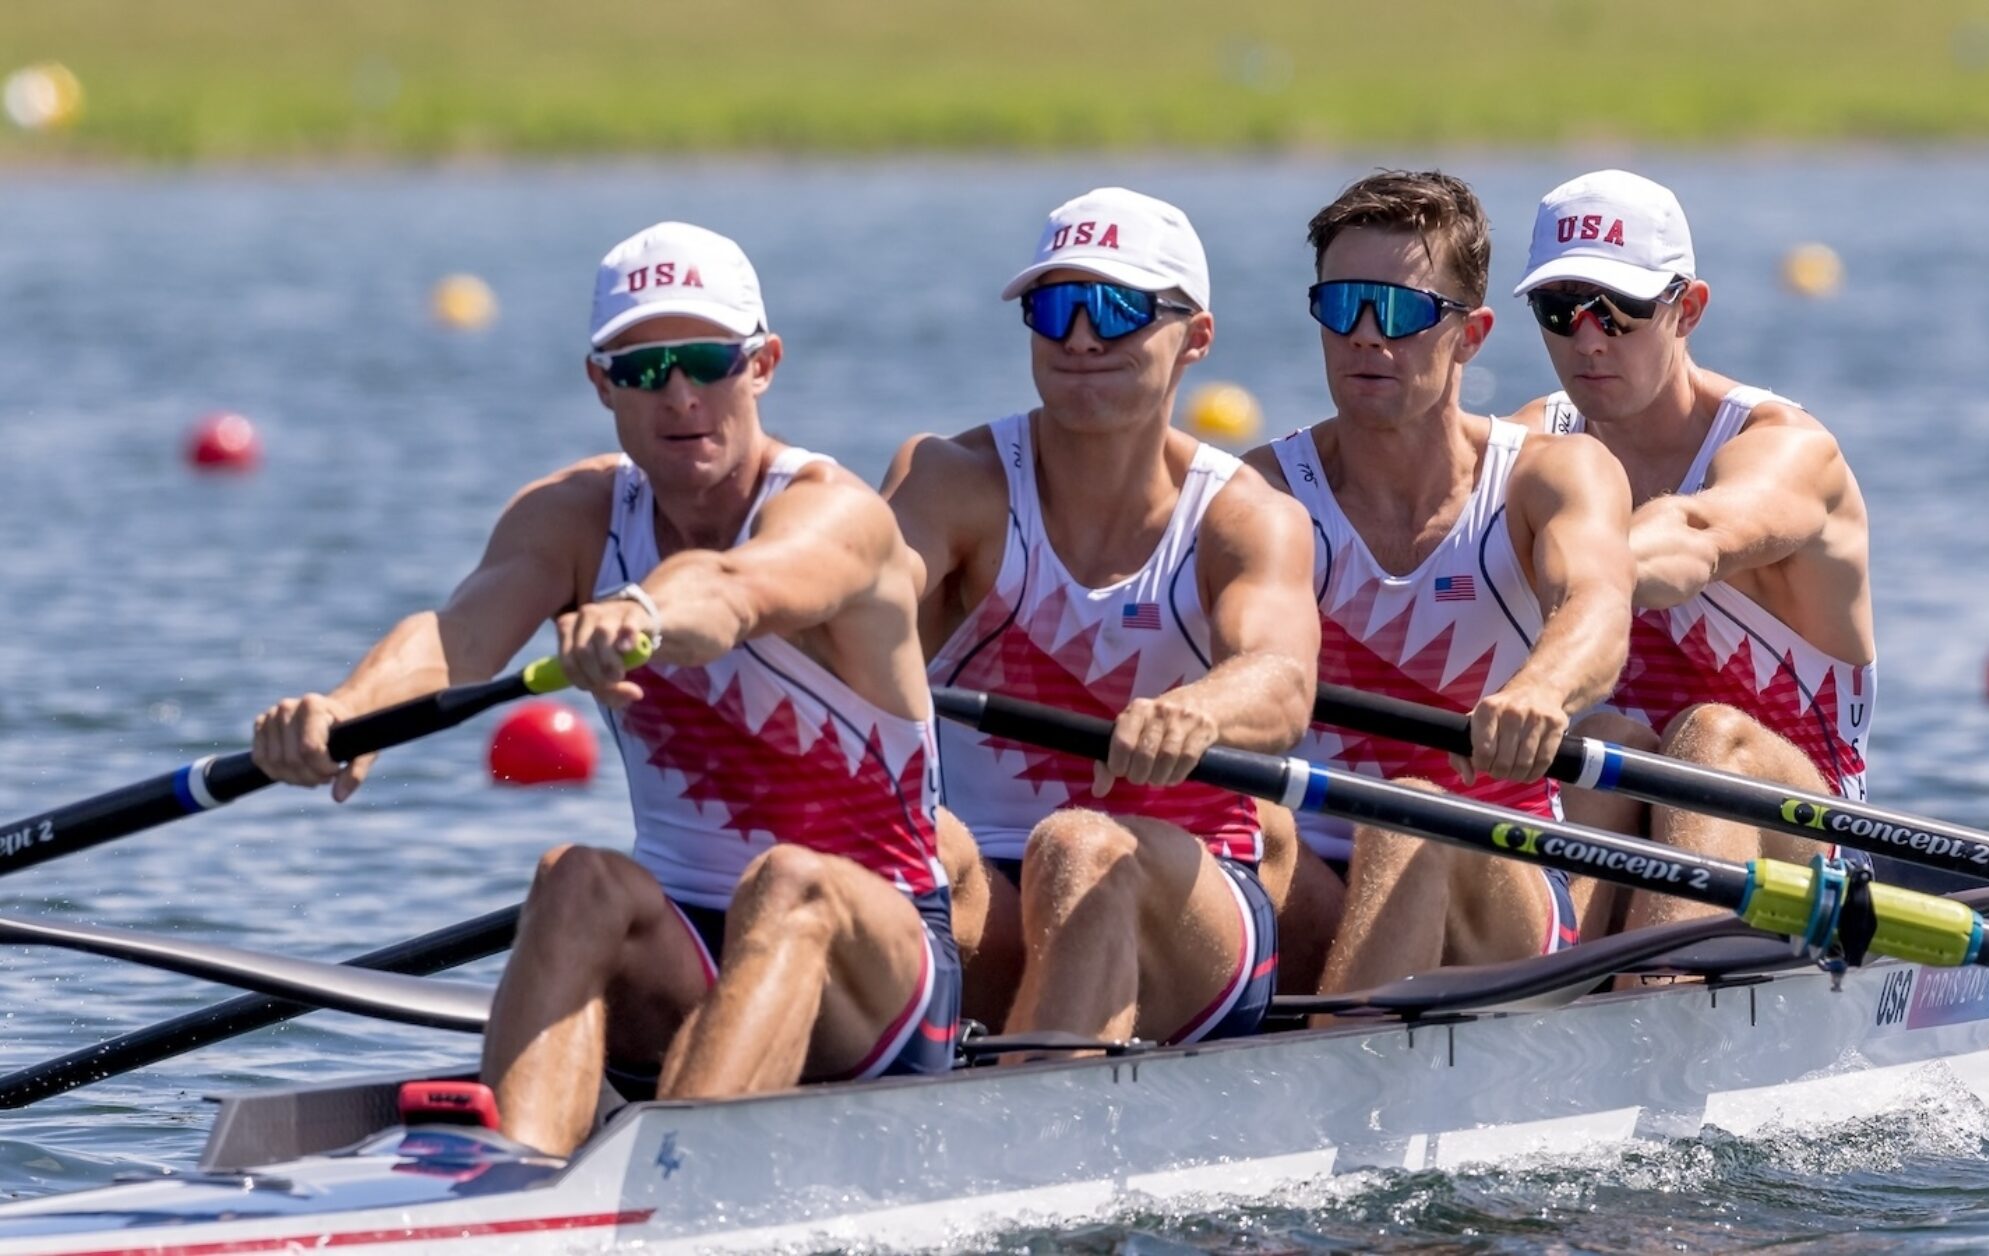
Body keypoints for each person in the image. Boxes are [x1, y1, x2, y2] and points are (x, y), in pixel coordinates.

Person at [250, 221, 959, 1156]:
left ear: (763, 365)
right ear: (600, 384)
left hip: (882, 972)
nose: (679, 394)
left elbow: (735, 591)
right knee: (573, 876)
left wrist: (640, 614)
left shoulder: (835, 514)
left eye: (707, 359)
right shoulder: (574, 514)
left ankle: (675, 1182)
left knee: (790, 883)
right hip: (684, 956)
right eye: (642, 367)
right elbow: (456, 638)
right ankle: (506, 1180)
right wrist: (348, 711)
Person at [884, 187, 1318, 1044]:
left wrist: (1202, 707)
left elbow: (1282, 684)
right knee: (887, 847)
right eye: (1053, 308)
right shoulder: (950, 478)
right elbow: (868, 595)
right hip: (991, 896)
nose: (1080, 337)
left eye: (1115, 309)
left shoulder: (1244, 516)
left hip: (1187, 903)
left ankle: (1021, 1121)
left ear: (1194, 337)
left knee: (1080, 847)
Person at [1243, 170, 1634, 994]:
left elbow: (1597, 608)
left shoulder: (1550, 476)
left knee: (1412, 816)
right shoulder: (1260, 492)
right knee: (1236, 825)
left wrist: (1541, 689)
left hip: (1500, 874)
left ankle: (1330, 1073)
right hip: (1314, 882)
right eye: (1339, 303)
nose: (1362, 334)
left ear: (1471, 334)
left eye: (1398, 310)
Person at [1509, 170, 1876, 933]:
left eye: (1620, 311)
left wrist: (1579, 572)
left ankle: (1657, 996)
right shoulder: (1530, 447)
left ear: (1687, 311)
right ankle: (1536, 994)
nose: (1587, 340)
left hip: (1798, 842)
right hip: (1616, 822)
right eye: (1559, 309)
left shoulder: (1784, 450)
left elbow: (1694, 540)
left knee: (1706, 738)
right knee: (1604, 744)